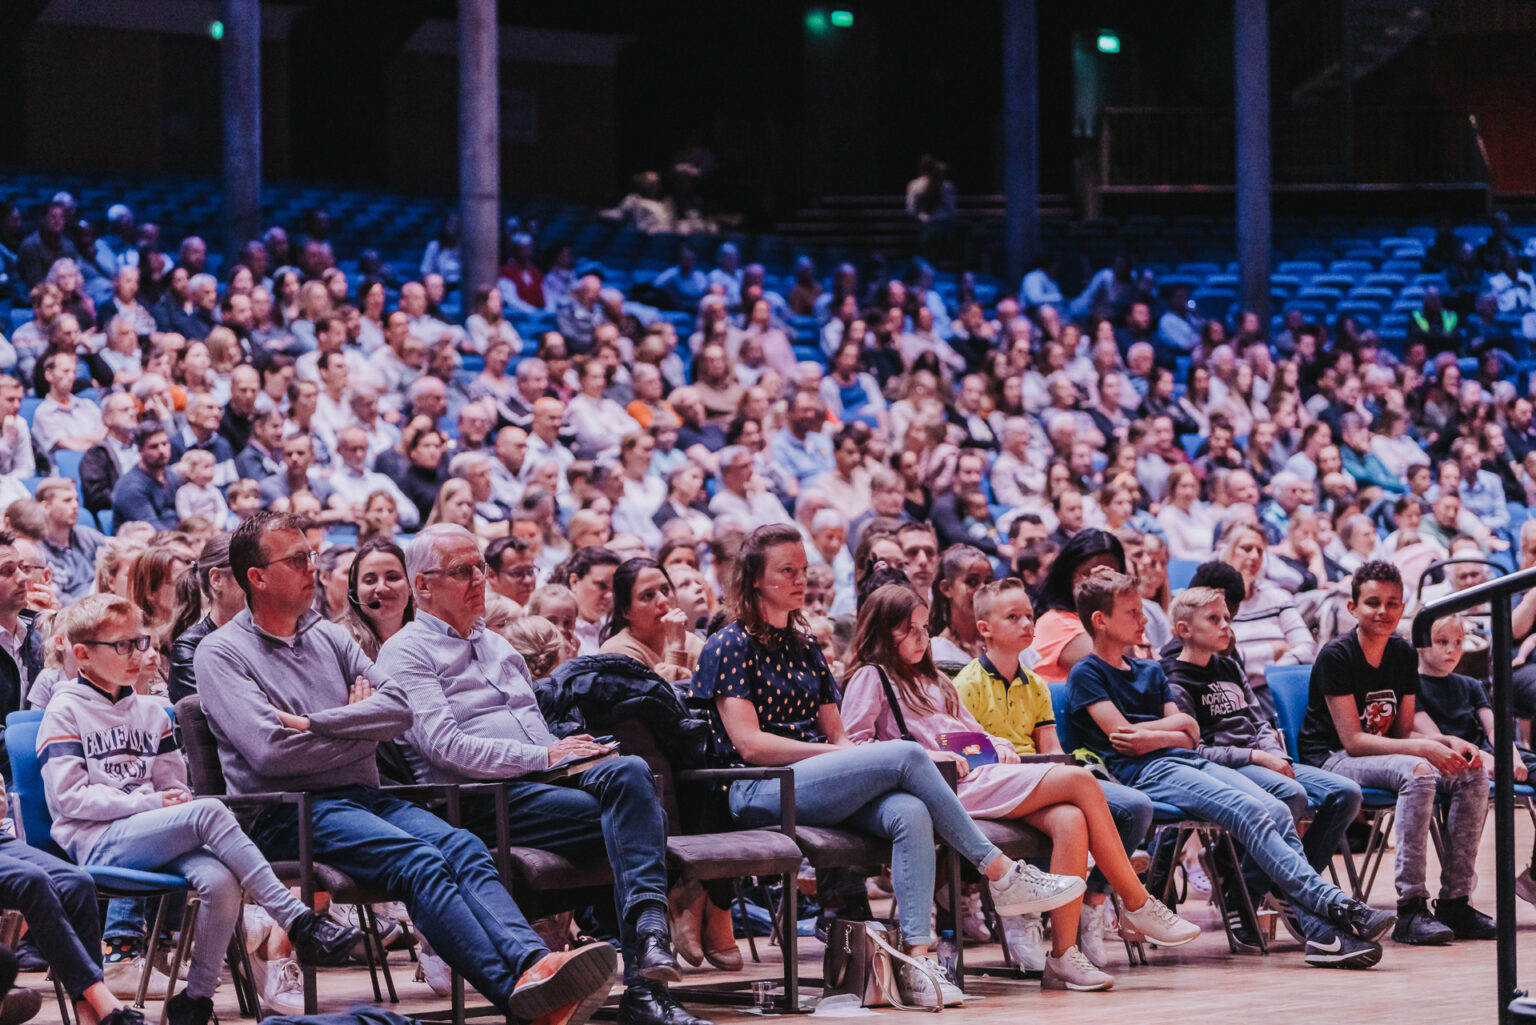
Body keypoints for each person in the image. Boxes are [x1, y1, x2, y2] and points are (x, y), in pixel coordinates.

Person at [193, 512, 620, 1021]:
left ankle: (535, 967)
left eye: (311, 556)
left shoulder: (327, 636)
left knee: (461, 845)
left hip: (361, 799)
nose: (313, 567)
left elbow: (397, 712)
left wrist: (314, 724)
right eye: (297, 559)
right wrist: (359, 731)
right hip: (289, 813)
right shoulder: (220, 653)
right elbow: (269, 753)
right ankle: (521, 993)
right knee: (419, 861)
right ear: (257, 577)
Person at [694, 523, 1086, 1008]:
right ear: (755, 578)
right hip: (759, 788)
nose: (800, 579)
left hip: (818, 782)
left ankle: (917, 958)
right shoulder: (728, 644)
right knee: (906, 753)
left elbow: (837, 732)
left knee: (910, 813)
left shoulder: (805, 645)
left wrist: (845, 755)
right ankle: (999, 871)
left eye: (802, 569)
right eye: (787, 571)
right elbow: (750, 745)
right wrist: (846, 757)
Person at [379, 526, 711, 1025]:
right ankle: (648, 982)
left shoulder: (497, 645)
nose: (478, 579)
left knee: (630, 772)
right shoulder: (405, 653)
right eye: (462, 570)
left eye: (479, 568)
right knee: (636, 820)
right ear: (422, 586)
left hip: (540, 782)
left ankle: (647, 937)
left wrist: (576, 758)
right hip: (477, 798)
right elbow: (445, 748)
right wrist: (547, 758)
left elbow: (537, 733)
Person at [842, 582, 1200, 991]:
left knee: (1069, 819)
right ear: (883, 631)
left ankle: (1063, 957)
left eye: (926, 627)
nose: (924, 638)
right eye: (912, 629)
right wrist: (923, 758)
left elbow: (973, 733)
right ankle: (1136, 902)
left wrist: (997, 744)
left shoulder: (937, 681)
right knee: (1081, 780)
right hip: (943, 791)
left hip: (980, 777)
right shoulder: (872, 677)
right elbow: (856, 750)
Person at [38, 593, 363, 1025]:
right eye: (121, 646)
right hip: (95, 840)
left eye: (140, 641)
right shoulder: (64, 708)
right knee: (208, 812)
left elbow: (173, 785)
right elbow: (69, 799)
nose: (138, 654)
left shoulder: (154, 712)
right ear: (82, 655)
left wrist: (167, 801)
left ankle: (196, 1001)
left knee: (220, 878)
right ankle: (296, 919)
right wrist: (153, 803)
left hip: (150, 834)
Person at [1064, 570, 1397, 969]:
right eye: (1133, 612)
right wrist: (1169, 730)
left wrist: (1157, 732)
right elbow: (1121, 735)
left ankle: (1323, 934)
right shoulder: (1087, 672)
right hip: (1146, 774)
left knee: (1276, 808)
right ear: (1100, 621)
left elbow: (1188, 733)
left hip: (1187, 760)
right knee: (1255, 810)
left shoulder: (1150, 670)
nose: (1143, 619)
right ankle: (1334, 907)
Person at [952, 578, 1158, 972]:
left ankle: (1091, 904)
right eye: (1013, 617)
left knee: (1131, 807)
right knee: (1075, 807)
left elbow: (1050, 749)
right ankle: (1025, 915)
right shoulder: (966, 684)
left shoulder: (1038, 686)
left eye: (1029, 615)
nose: (1027, 624)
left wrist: (1051, 769)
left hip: (1039, 780)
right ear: (985, 628)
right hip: (994, 787)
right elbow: (971, 759)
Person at [1297, 560, 1495, 946]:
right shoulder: (1336, 655)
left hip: (1385, 758)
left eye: (1392, 603)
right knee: (1419, 771)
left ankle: (1455, 900)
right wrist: (1426, 746)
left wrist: (1446, 743)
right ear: (1353, 608)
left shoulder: (1402, 654)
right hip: (1332, 759)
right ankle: (1411, 908)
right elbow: (1353, 741)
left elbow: (1402, 731)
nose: (1383, 612)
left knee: (1473, 773)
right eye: (1373, 602)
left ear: (1403, 607)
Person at [1161, 587, 1364, 927]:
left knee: (1346, 794)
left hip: (1262, 760)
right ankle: (1245, 899)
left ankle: (1287, 884)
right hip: (1225, 766)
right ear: (1184, 630)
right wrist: (1258, 757)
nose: (1226, 625)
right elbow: (1193, 750)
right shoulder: (1173, 678)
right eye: (1214, 619)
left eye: (1227, 617)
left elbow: (1259, 721)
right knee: (1291, 794)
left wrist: (1272, 754)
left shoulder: (1229, 666)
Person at [1417, 613, 1536, 909]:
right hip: (1451, 760)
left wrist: (1511, 756)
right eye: (1442, 642)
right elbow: (1430, 736)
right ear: (1419, 645)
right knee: (1470, 776)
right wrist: (1484, 757)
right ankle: (1458, 880)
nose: (1452, 650)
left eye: (1458, 642)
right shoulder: (1411, 686)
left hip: (1493, 756)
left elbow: (1495, 728)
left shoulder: (1470, 684)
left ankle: (1534, 876)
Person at [1031, 530, 1127, 684]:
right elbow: (1118, 663)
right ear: (1068, 575)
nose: (1099, 583)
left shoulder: (1128, 616)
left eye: (1109, 576)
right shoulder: (1053, 622)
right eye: (1087, 574)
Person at [598, 558, 703, 683]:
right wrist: (676, 648)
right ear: (626, 611)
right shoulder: (616, 653)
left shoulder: (691, 642)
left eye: (665, 589)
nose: (663, 600)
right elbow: (662, 700)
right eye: (648, 595)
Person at [167, 535, 245, 704]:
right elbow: (233, 718)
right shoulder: (190, 649)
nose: (260, 583)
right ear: (217, 579)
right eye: (247, 573)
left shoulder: (273, 637)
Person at [335, 539, 414, 661]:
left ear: (410, 586)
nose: (381, 588)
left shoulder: (428, 635)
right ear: (354, 591)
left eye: (392, 577)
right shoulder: (338, 640)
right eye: (370, 580)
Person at [34, 478, 103, 603]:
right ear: (46, 506)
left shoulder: (88, 535)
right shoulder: (36, 552)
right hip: (73, 617)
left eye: (76, 500)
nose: (75, 506)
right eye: (67, 501)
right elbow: (56, 601)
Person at [110, 421, 179, 531]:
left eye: (165, 443)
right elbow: (153, 530)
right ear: (140, 450)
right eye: (154, 446)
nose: (162, 450)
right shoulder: (130, 487)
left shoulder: (171, 474)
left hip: (176, 538)